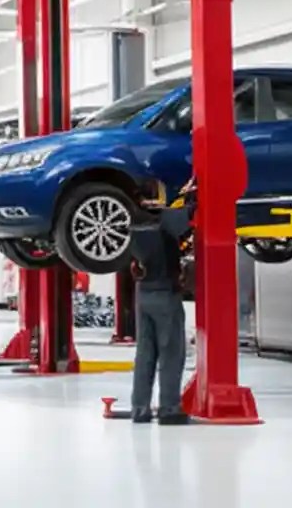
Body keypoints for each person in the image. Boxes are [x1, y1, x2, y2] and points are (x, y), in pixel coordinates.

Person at [127, 177, 194, 425]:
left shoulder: (133, 222)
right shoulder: (165, 220)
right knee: (171, 352)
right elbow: (188, 216)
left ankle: (140, 408)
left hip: (142, 294)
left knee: (145, 353)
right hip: (165, 292)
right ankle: (168, 409)